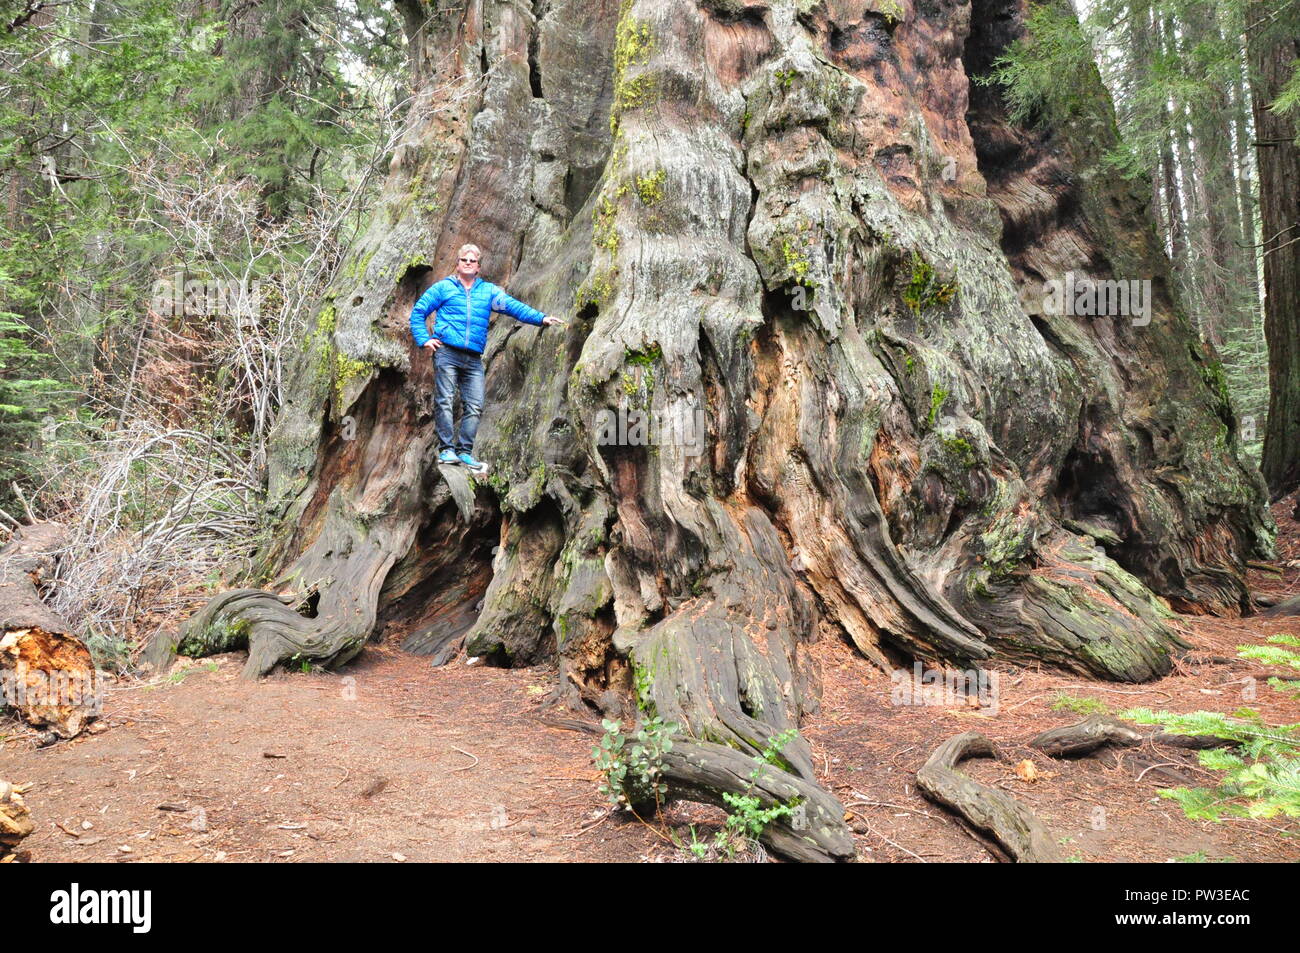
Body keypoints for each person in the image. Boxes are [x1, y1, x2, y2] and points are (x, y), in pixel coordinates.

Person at [409, 244, 564, 472]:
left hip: (472, 358)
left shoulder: (488, 292)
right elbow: (418, 312)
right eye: (464, 260)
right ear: (458, 263)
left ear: (479, 267)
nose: (468, 263)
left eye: (472, 261)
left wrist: (541, 318)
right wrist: (424, 339)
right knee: (445, 399)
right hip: (447, 352)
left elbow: (513, 307)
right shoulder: (444, 288)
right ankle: (446, 450)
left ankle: (464, 452)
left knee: (475, 405)